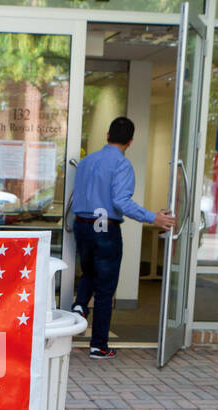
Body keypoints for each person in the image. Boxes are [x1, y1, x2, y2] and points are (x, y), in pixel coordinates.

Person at [70, 117, 175, 358]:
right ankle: (98, 346)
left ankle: (79, 306)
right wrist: (152, 218)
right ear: (130, 141)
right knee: (106, 289)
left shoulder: (86, 162)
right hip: (104, 226)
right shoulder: (122, 165)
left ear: (107, 135)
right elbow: (120, 202)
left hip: (83, 225)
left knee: (89, 271)